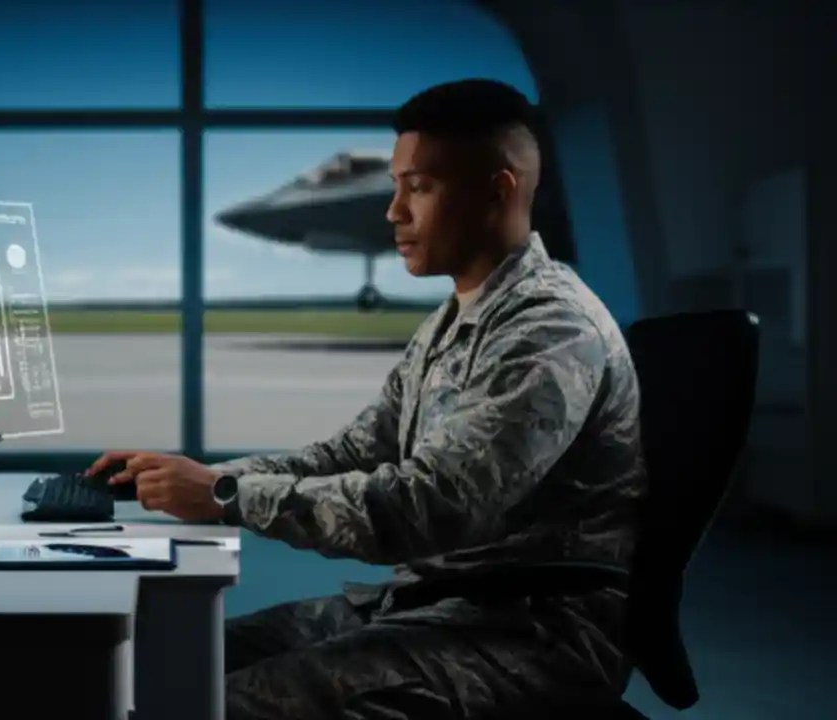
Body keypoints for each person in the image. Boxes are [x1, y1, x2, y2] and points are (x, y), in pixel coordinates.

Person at [87, 78, 647, 719]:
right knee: (152, 664)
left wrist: (223, 498)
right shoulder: (456, 320)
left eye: (420, 187)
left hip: (526, 634)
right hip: (436, 606)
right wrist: (204, 477)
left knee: (204, 705)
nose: (394, 212)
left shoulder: (548, 328)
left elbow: (431, 507)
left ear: (499, 190)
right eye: (396, 185)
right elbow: (354, 451)